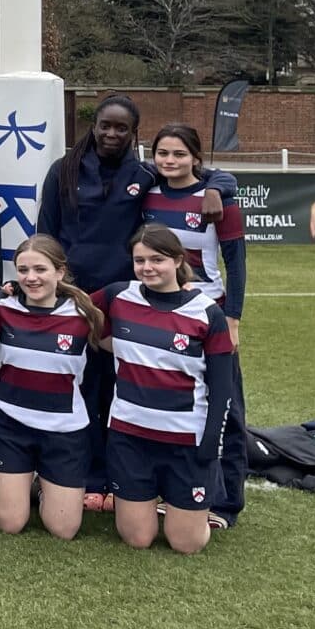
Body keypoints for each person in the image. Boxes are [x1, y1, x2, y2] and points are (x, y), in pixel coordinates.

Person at [35, 94, 231, 509]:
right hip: (72, 298)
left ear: (133, 133)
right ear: (94, 125)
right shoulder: (63, 171)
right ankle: (77, 475)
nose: (111, 133)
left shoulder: (143, 175)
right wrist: (56, 289)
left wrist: (218, 185)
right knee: (74, 386)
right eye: (105, 125)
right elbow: (46, 233)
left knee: (117, 386)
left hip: (125, 302)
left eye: (120, 127)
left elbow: (197, 172)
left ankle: (111, 478)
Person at [98, 225, 235, 555]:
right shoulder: (118, 295)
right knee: (137, 539)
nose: (147, 268)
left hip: (185, 441)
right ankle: (159, 505)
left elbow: (222, 386)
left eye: (157, 259)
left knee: (185, 544)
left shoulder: (206, 312)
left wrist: (210, 443)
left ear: (177, 260)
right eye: (139, 260)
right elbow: (66, 306)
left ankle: (187, 512)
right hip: (130, 437)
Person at [141, 122, 249, 529]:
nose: (170, 161)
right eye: (162, 154)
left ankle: (225, 503)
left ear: (196, 159)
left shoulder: (216, 199)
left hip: (208, 314)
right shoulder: (146, 194)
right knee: (169, 402)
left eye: (179, 154)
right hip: (159, 314)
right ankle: (173, 492)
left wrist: (233, 319)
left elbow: (236, 265)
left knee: (225, 408)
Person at [0, 234, 98, 541]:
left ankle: (36, 487)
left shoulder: (86, 315)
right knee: (11, 523)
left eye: (40, 270)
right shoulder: (0, 307)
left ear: (59, 272)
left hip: (65, 429)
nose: (31, 278)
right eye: (23, 270)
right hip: (9, 423)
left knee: (63, 529)